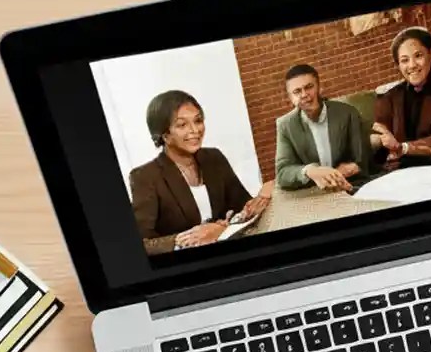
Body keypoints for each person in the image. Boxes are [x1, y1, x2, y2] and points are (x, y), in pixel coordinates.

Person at [129, 90, 270, 256]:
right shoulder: (145, 176)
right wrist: (186, 239)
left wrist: (257, 202)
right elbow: (142, 243)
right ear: (164, 135)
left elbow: (241, 204)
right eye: (182, 125)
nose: (195, 130)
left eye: (198, 120)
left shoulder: (214, 157)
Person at [372, 27, 431, 171]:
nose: (412, 65)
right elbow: (378, 130)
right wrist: (380, 138)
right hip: (403, 169)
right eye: (404, 60)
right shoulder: (389, 96)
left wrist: (403, 148)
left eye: (418, 56)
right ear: (399, 65)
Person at [274, 65, 371, 192]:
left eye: (309, 87)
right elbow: (282, 173)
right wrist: (309, 171)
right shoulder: (285, 125)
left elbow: (363, 159)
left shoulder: (348, 113)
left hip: (351, 186)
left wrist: (344, 171)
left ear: (319, 87)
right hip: (314, 193)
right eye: (297, 91)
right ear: (290, 98)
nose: (304, 94)